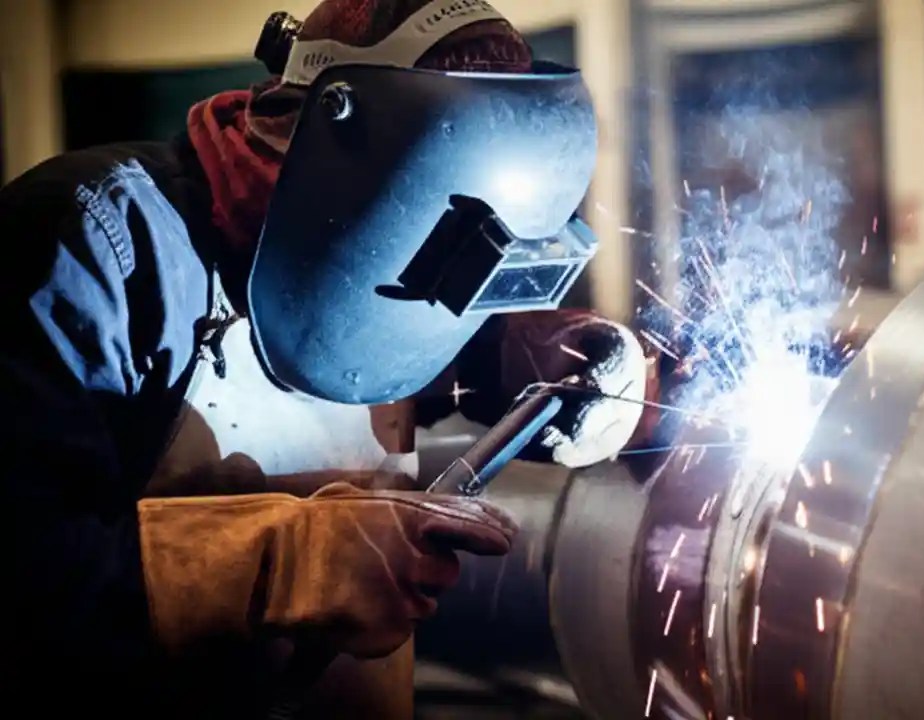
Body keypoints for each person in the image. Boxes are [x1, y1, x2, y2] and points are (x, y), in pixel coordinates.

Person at [0, 0, 654, 716]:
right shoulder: (91, 247)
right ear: (320, 136)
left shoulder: (375, 239)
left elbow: (397, 338)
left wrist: (536, 361)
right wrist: (282, 567)